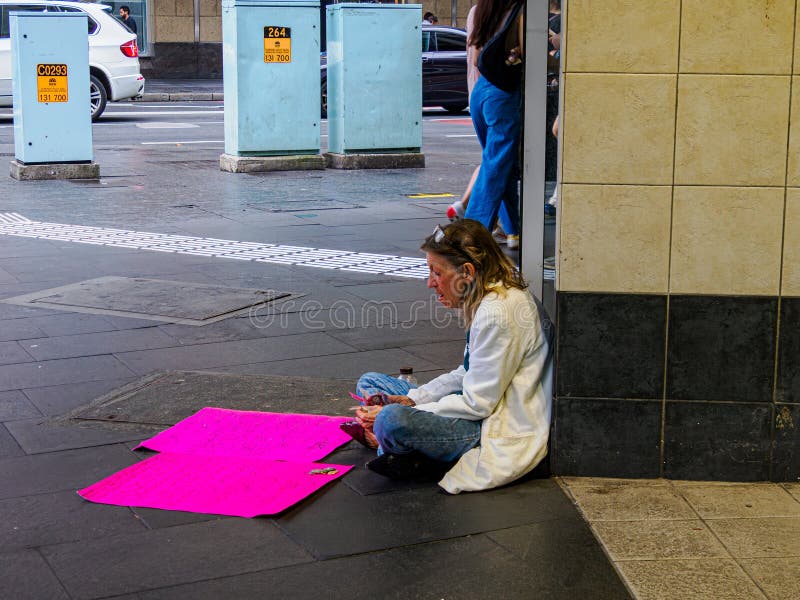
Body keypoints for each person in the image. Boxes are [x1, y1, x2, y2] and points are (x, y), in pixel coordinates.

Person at [342, 220, 554, 494]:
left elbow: (478, 404)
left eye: (436, 272)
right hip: (476, 406)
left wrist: (407, 411)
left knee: (391, 420)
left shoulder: (498, 314)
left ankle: (396, 445)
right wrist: (412, 398)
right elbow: (466, 372)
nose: (430, 283)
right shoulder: (489, 297)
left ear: (466, 271)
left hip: (488, 427)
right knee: (370, 382)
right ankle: (396, 444)